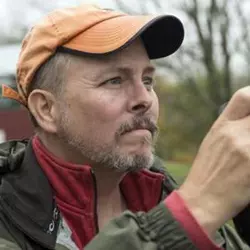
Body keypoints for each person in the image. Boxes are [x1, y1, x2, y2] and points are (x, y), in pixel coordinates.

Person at [1, 3, 250, 250]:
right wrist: (191, 214)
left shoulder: (161, 191)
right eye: (114, 80)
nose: (145, 98)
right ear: (46, 109)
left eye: (148, 80)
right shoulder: (7, 216)